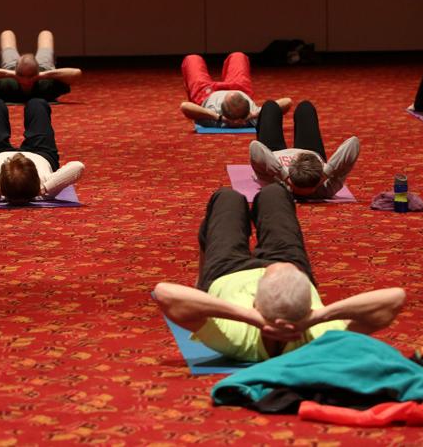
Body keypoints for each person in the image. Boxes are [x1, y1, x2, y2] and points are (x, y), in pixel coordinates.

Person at [153, 184, 406, 362]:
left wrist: (250, 317)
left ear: (255, 302)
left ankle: (203, 278)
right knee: (275, 192)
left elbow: (165, 293)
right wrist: (318, 317)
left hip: (227, 271)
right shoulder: (316, 334)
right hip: (290, 268)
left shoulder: (236, 337)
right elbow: (395, 297)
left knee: (227, 197)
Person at [0, 98, 84, 203]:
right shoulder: (46, 191)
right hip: (40, 152)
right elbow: (77, 167)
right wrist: (43, 189)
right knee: (37, 104)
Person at [250, 100, 359, 199]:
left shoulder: (277, 187)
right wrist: (326, 173)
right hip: (311, 152)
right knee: (305, 107)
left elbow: (255, 147)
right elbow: (353, 143)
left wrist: (284, 175)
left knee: (270, 107)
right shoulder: (326, 189)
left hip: (273, 152)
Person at [180, 52, 292, 128]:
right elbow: (287, 101)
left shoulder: (212, 119)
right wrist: (254, 115)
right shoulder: (253, 118)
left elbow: (185, 106)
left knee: (192, 59)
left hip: (206, 93)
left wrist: (218, 117)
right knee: (238, 56)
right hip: (239, 87)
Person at [0, 30, 82, 103]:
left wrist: (42, 74)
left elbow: (77, 73)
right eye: (22, 76)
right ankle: (21, 69)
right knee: (7, 34)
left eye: (30, 76)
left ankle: (28, 70)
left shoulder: (46, 83)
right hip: (12, 67)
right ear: (16, 73)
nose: (26, 80)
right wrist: (11, 73)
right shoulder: (7, 82)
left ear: (37, 73)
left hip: (43, 67)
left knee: (45, 34)